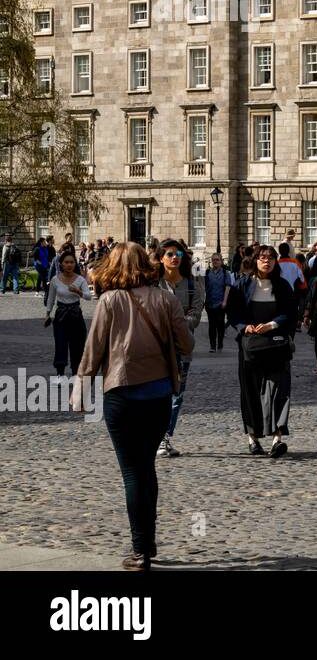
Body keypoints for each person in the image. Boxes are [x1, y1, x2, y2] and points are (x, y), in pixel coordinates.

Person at [74, 243, 191, 570]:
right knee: (146, 468)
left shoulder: (109, 301)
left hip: (121, 394)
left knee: (132, 472)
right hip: (158, 395)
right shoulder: (166, 299)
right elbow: (188, 344)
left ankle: (140, 550)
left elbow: (93, 348)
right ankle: (148, 541)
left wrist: (81, 388)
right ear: (146, 264)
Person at [228, 244, 297, 457]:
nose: (266, 261)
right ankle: (253, 438)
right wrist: (244, 327)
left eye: (270, 258)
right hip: (251, 346)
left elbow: (290, 313)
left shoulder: (283, 286)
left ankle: (277, 438)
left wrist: (272, 324)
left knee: (279, 390)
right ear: (255, 260)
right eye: (262, 258)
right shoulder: (242, 285)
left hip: (276, 345)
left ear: (276, 262)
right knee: (250, 392)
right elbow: (233, 313)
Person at [153, 240, 203, 459]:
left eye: (178, 254)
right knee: (154, 394)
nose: (175, 257)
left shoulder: (193, 286)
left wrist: (177, 323)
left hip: (182, 347)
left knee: (176, 394)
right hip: (154, 348)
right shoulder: (152, 286)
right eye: (170, 253)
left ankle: (164, 436)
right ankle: (154, 434)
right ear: (161, 257)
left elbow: (195, 315)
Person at [44, 250, 90, 375]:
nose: (69, 265)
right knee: (60, 344)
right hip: (61, 315)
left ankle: (76, 373)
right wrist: (48, 314)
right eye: (66, 262)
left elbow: (88, 296)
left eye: (72, 262)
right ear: (61, 264)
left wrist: (79, 292)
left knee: (77, 346)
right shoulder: (55, 280)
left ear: (75, 264)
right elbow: (51, 298)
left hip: (75, 314)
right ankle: (60, 373)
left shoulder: (80, 279)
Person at [203, 253, 235, 352]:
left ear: (221, 261)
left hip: (221, 303)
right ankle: (212, 346)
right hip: (210, 303)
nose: (215, 262)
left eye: (217, 260)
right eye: (213, 260)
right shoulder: (207, 273)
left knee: (220, 325)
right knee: (211, 325)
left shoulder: (226, 273)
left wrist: (225, 301)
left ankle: (220, 344)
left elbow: (228, 287)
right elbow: (203, 287)